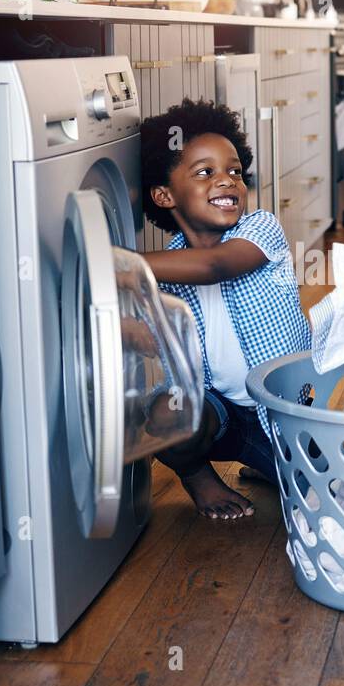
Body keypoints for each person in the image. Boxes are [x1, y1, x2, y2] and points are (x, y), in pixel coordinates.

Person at [139, 99, 310, 520]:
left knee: (321, 491)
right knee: (167, 413)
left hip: (285, 411)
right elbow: (154, 338)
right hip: (221, 416)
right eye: (205, 172)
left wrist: (113, 262)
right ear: (164, 195)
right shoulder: (170, 264)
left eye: (235, 171)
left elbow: (213, 266)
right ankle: (198, 478)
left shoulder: (260, 229)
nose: (227, 181)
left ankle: (273, 465)